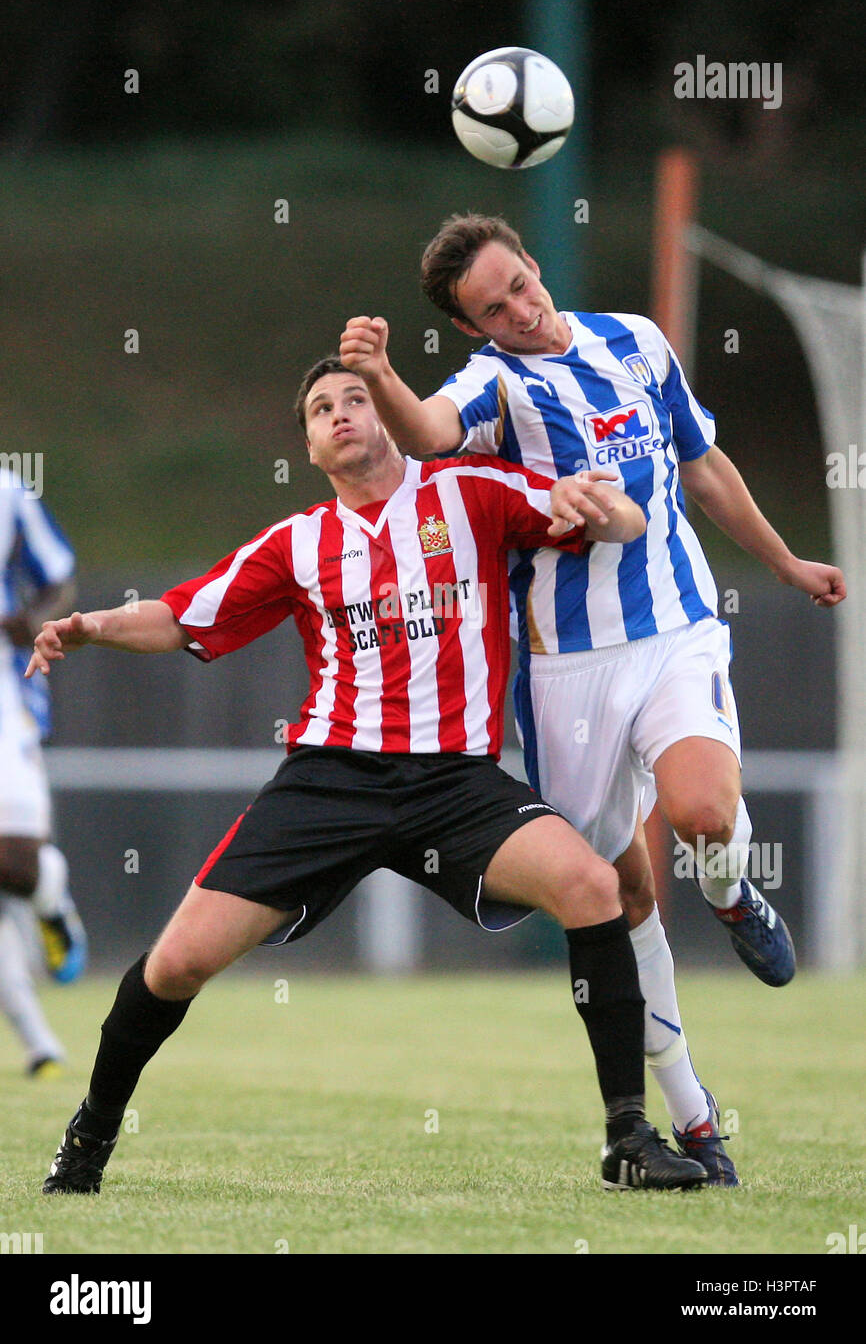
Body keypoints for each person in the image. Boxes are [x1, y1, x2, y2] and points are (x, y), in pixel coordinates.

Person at [30, 358, 708, 1195]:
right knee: (175, 966)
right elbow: (179, 616)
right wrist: (92, 624)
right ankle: (89, 1138)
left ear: (388, 415)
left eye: (357, 398)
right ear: (311, 446)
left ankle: (627, 1138)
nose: (343, 413)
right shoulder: (297, 542)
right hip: (332, 781)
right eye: (322, 407)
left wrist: (597, 502)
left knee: (591, 887)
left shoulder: (471, 490)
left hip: (456, 781)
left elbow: (611, 522)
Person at [338, 213, 847, 1186]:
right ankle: (693, 1114)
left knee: (701, 814)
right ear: (473, 326)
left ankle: (732, 890)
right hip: (564, 670)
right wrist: (382, 375)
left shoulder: (635, 340)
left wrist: (781, 560)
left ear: (533, 264)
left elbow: (700, 465)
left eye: (522, 284)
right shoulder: (493, 383)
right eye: (495, 309)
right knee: (617, 896)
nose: (522, 310)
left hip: (673, 631)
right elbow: (431, 431)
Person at [0, 474, 88, 1077]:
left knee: (18, 863)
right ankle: (40, 1044)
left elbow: (60, 577)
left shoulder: (7, 492)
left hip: (4, 699)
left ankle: (50, 890)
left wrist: (28, 618)